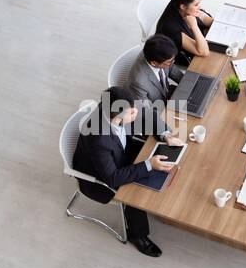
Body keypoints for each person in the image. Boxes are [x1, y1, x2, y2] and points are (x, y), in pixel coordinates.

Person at [72, 87, 183, 257]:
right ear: (117, 116)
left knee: (159, 154)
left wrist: (166, 134)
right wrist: (148, 165)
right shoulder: (99, 139)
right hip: (101, 178)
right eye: (132, 113)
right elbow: (113, 178)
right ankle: (138, 235)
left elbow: (148, 115)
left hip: (121, 151)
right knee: (134, 194)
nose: (136, 114)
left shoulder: (114, 107)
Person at [126, 35, 185, 138]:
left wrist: (188, 83)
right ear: (154, 63)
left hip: (166, 96)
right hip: (155, 111)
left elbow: (172, 70)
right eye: (169, 62)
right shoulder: (138, 81)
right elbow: (146, 112)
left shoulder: (161, 56)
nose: (172, 63)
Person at [155, 0, 214, 66]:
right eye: (196, 4)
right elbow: (204, 52)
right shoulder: (170, 28)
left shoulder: (181, 5)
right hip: (183, 57)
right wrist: (194, 26)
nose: (199, 7)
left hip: (196, 43)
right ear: (183, 7)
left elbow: (208, 20)